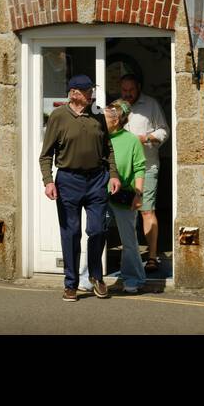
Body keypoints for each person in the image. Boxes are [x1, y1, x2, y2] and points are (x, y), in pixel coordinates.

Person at [40, 74, 120, 302]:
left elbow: (109, 149)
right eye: (87, 91)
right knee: (71, 234)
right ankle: (70, 284)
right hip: (68, 181)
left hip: (97, 180)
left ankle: (96, 276)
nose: (91, 94)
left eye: (91, 90)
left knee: (97, 230)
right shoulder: (58, 117)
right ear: (74, 93)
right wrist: (48, 181)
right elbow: (46, 155)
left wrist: (113, 175)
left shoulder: (97, 115)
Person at [119, 69, 169, 275]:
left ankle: (152, 256)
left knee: (147, 211)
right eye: (124, 90)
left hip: (147, 167)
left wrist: (145, 138)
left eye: (131, 90)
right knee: (124, 214)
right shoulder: (116, 107)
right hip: (123, 170)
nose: (128, 93)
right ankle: (129, 257)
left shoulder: (151, 105)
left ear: (138, 88)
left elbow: (164, 131)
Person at [104, 100, 148, 294]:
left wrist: (138, 195)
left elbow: (139, 168)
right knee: (95, 236)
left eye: (105, 116)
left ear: (116, 121)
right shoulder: (99, 137)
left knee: (129, 241)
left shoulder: (131, 141)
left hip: (124, 196)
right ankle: (88, 275)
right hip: (100, 195)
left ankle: (133, 278)